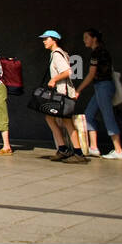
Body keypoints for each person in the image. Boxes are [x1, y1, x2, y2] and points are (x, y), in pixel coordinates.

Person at [74, 29, 122, 159]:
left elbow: (91, 74)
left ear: (94, 38)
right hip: (100, 87)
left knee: (108, 116)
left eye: (86, 37)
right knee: (89, 115)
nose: (84, 40)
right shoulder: (101, 51)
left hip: (104, 87)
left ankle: (118, 151)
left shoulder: (97, 52)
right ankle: (94, 148)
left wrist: (78, 90)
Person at [38, 30, 87, 162]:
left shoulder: (57, 54)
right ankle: (63, 148)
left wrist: (54, 80)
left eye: (46, 39)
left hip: (63, 93)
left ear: (54, 40)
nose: (44, 41)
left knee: (67, 122)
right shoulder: (58, 53)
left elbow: (67, 71)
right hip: (62, 93)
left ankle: (77, 153)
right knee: (50, 118)